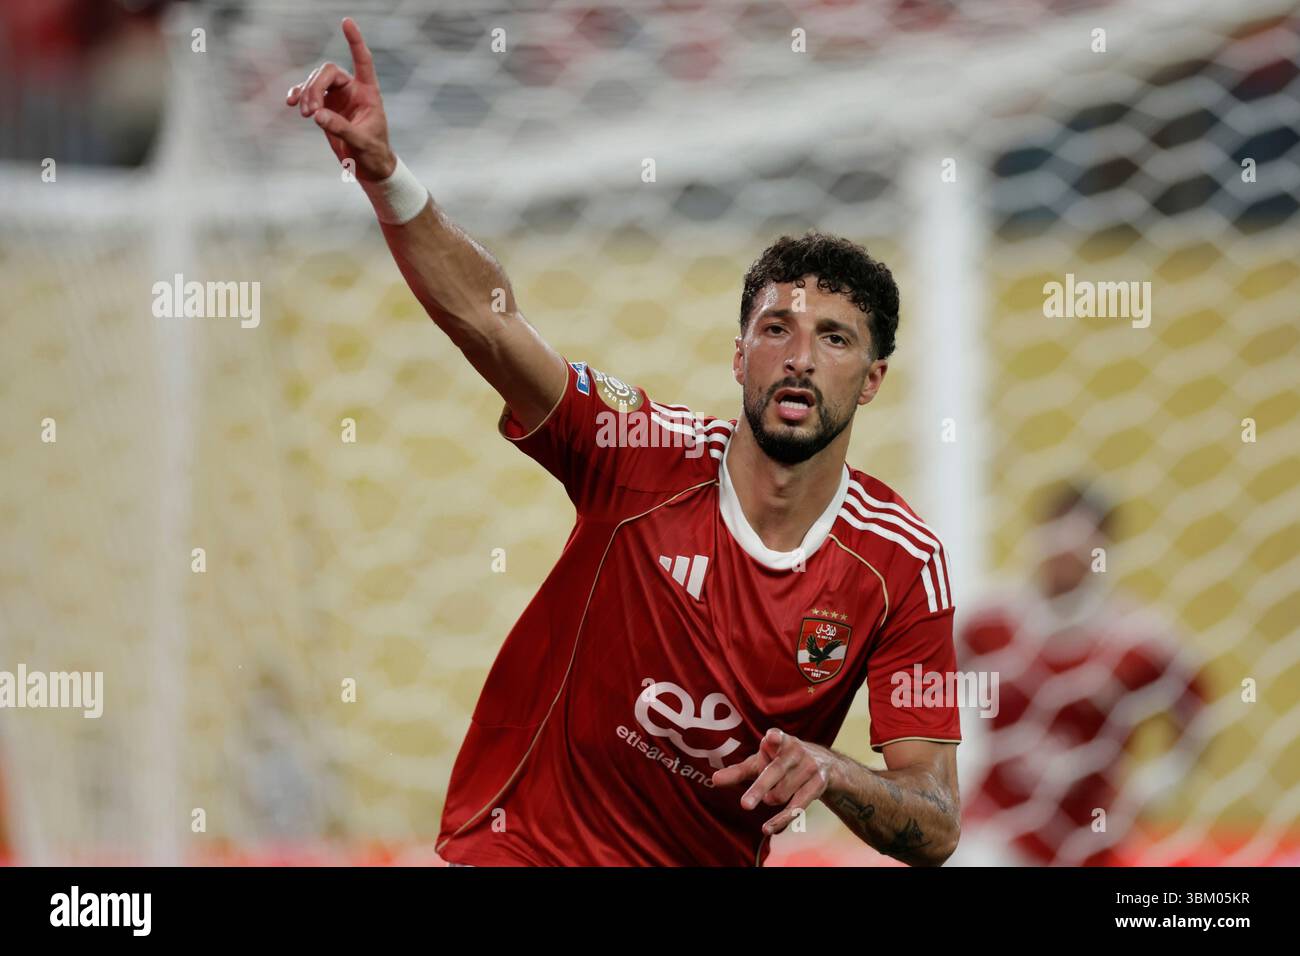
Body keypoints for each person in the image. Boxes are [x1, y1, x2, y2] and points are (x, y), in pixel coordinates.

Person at [287, 18, 962, 866]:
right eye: (776, 327)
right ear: (738, 355)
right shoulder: (641, 451)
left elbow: (936, 819)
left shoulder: (900, 563)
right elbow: (491, 326)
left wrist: (833, 769)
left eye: (833, 338)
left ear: (871, 381)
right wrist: (388, 176)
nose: (797, 357)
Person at [953, 482, 1210, 866]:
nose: (1063, 556)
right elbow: (924, 688)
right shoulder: (989, 623)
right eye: (1055, 538)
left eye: (1079, 545)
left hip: (1088, 839)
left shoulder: (1137, 640)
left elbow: (1199, 714)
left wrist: (1159, 783)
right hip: (994, 829)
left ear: (1103, 552)